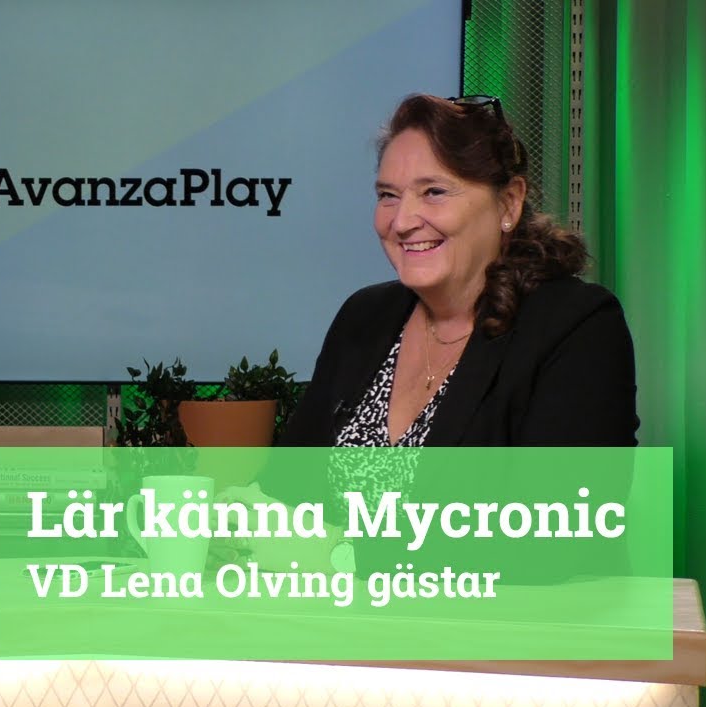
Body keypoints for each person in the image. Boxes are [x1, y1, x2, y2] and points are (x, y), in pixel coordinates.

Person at [213, 94, 639, 575]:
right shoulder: (364, 318)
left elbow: (560, 537)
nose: (402, 221)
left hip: (506, 624)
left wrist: (340, 556)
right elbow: (288, 490)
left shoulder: (579, 325)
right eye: (387, 195)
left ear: (509, 203)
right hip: (344, 623)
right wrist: (243, 522)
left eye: (434, 191)